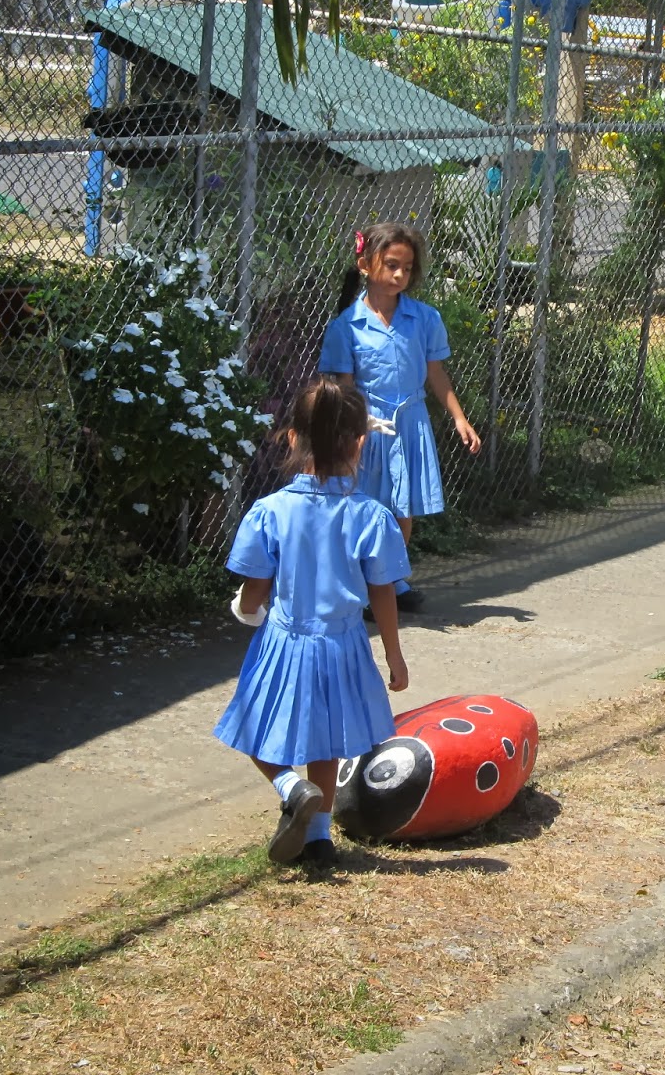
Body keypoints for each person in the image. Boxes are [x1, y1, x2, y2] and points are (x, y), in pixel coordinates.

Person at [215, 376, 411, 869]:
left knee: (249, 726)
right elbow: (382, 591)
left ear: (291, 438)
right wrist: (394, 655)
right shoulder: (371, 515)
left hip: (285, 642)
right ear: (360, 442)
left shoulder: (270, 512)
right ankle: (319, 841)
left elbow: (254, 591)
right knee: (325, 741)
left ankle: (289, 787)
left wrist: (245, 609)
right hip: (344, 644)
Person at [319, 221, 481, 612]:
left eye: (407, 269)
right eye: (391, 265)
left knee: (402, 506)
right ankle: (360, 589)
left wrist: (459, 417)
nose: (399, 275)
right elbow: (343, 386)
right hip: (366, 429)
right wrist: (350, 431)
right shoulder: (346, 327)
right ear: (364, 264)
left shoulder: (425, 319)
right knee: (364, 505)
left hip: (410, 423)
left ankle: (390, 582)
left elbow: (436, 374)